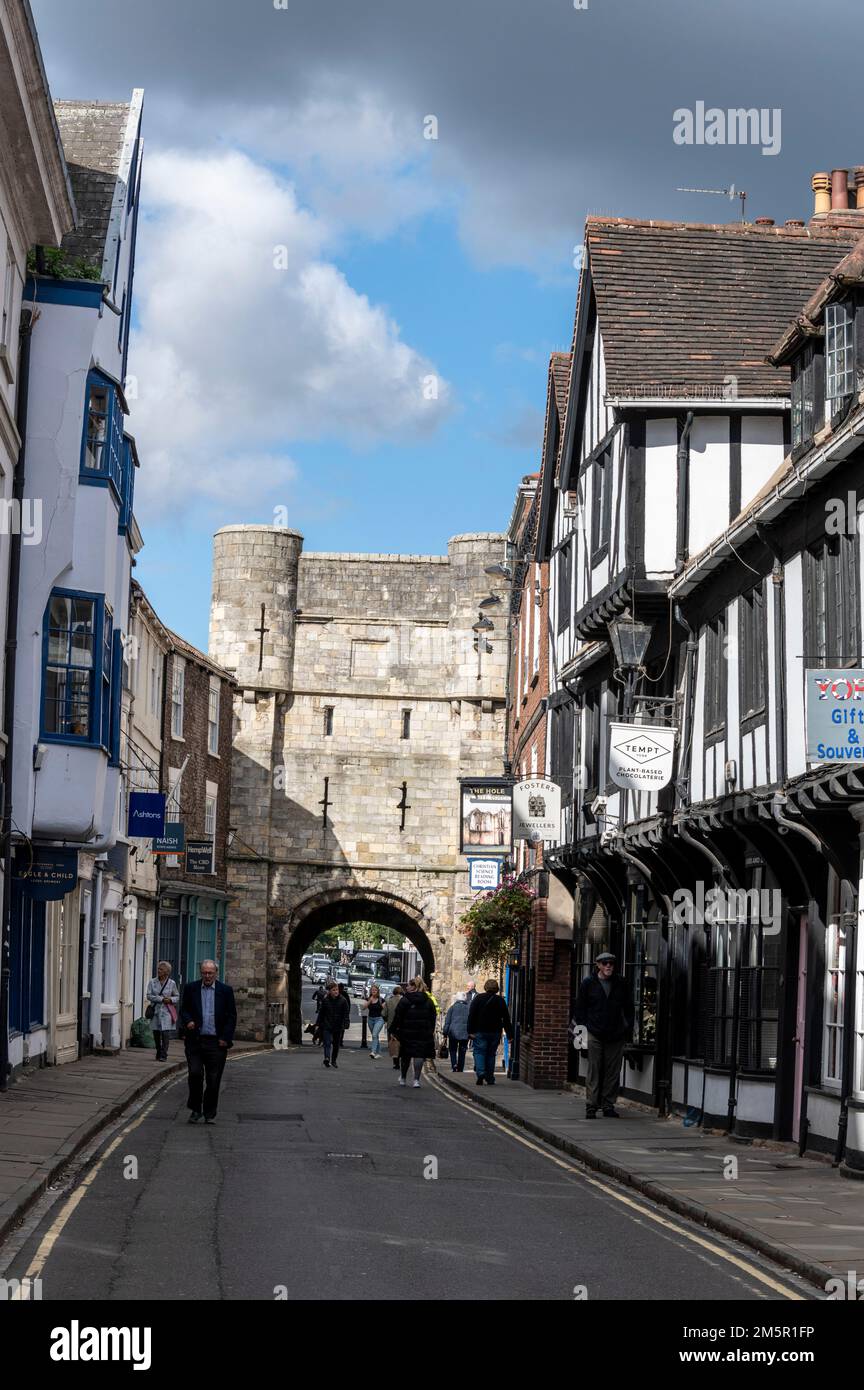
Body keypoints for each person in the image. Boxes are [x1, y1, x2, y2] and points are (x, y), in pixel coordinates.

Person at [572, 951, 633, 1118]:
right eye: (605, 963)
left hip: (615, 1034)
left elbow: (628, 1007)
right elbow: (580, 1009)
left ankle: (608, 1105)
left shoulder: (621, 983)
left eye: (611, 963)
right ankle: (591, 1106)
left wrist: (626, 1026)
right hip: (594, 1033)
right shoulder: (588, 983)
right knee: (594, 1070)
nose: (608, 966)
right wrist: (584, 1031)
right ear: (598, 965)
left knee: (612, 1071)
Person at [178, 960, 236, 1124]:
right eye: (204, 973)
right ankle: (196, 1109)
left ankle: (209, 1112)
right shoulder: (191, 988)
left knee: (213, 1080)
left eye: (210, 973)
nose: (207, 976)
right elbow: (184, 1009)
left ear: (216, 973)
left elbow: (231, 1016)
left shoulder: (225, 991)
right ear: (201, 973)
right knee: (195, 1074)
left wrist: (225, 1038)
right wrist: (188, 1021)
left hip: (217, 1043)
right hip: (195, 1041)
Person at [390, 977, 436, 1088]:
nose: (407, 987)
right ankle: (416, 1080)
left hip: (406, 1032)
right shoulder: (428, 1001)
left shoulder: (405, 1000)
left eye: (409, 985)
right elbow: (432, 1017)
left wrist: (393, 1030)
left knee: (406, 1055)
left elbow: (398, 1016)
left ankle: (403, 1078)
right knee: (419, 1055)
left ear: (414, 987)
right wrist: (430, 1031)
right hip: (422, 1033)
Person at [467, 979, 514, 1086]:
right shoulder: (500, 1000)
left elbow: (471, 1015)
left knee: (479, 1052)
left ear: (485, 987)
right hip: (495, 1032)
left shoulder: (478, 998)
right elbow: (506, 1019)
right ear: (496, 989)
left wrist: (470, 1031)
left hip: (480, 1031)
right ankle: (490, 1078)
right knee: (491, 1054)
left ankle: (481, 1073)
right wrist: (510, 1035)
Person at [146, 960, 180, 1062]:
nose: (158, 971)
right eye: (158, 969)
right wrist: (161, 999)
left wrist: (170, 1000)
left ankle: (164, 1055)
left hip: (167, 1012)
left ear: (167, 972)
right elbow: (148, 996)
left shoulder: (172, 983)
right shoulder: (152, 982)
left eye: (161, 969)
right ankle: (158, 1051)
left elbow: (177, 997)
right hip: (156, 1012)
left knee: (165, 1034)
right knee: (156, 1034)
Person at [318, 980, 351, 1069]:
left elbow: (346, 1013)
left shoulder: (343, 1000)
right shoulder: (325, 1000)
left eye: (337, 990)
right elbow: (321, 1013)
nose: (336, 991)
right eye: (333, 990)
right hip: (327, 1025)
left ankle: (333, 1060)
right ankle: (327, 1058)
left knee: (336, 1044)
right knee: (327, 1042)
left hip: (338, 1025)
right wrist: (318, 1024)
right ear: (329, 991)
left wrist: (346, 1022)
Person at [442, 992, 470, 1072]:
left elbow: (447, 1022)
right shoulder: (468, 1008)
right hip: (465, 1033)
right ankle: (460, 1068)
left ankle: (454, 1065)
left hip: (453, 1033)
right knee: (462, 1051)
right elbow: (471, 1022)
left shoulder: (452, 1008)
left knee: (453, 1050)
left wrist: (445, 1033)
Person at [383, 985, 404, 1069]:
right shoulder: (404, 1001)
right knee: (401, 1044)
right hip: (402, 1026)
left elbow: (383, 1014)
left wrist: (387, 1020)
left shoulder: (388, 1001)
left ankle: (396, 1063)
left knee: (393, 1044)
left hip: (391, 1026)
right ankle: (402, 1060)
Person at [365, 983, 385, 1059]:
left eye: (375, 990)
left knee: (374, 1035)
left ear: (378, 991)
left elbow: (385, 1010)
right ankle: (378, 1052)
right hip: (370, 1019)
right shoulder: (369, 998)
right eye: (372, 990)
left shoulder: (381, 1000)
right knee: (375, 1036)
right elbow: (363, 1007)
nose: (373, 991)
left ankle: (373, 1052)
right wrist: (369, 1001)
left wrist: (386, 1020)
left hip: (379, 1019)